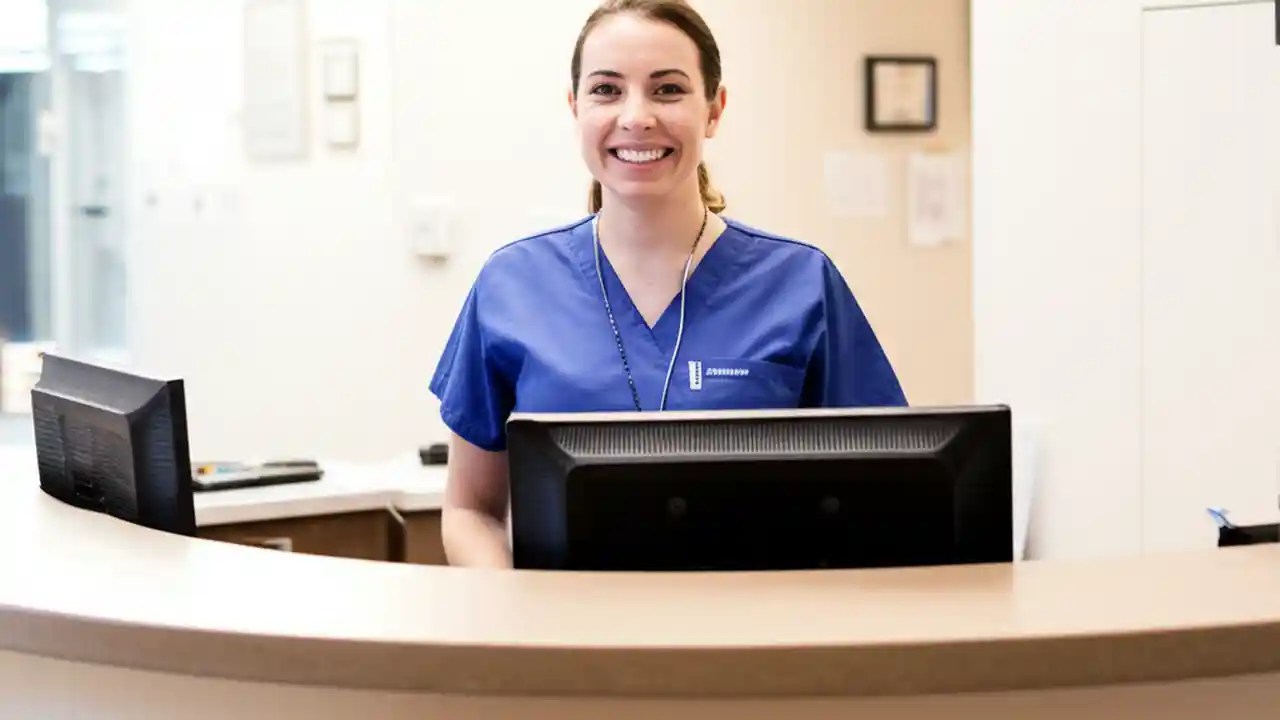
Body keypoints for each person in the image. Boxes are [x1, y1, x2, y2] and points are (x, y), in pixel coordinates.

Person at [429, 0, 907, 568]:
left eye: (668, 89)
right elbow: (471, 510)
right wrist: (519, 618)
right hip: (567, 642)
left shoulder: (801, 283)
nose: (636, 117)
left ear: (714, 109)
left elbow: (884, 501)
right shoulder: (511, 285)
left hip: (756, 637)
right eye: (606, 90)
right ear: (574, 106)